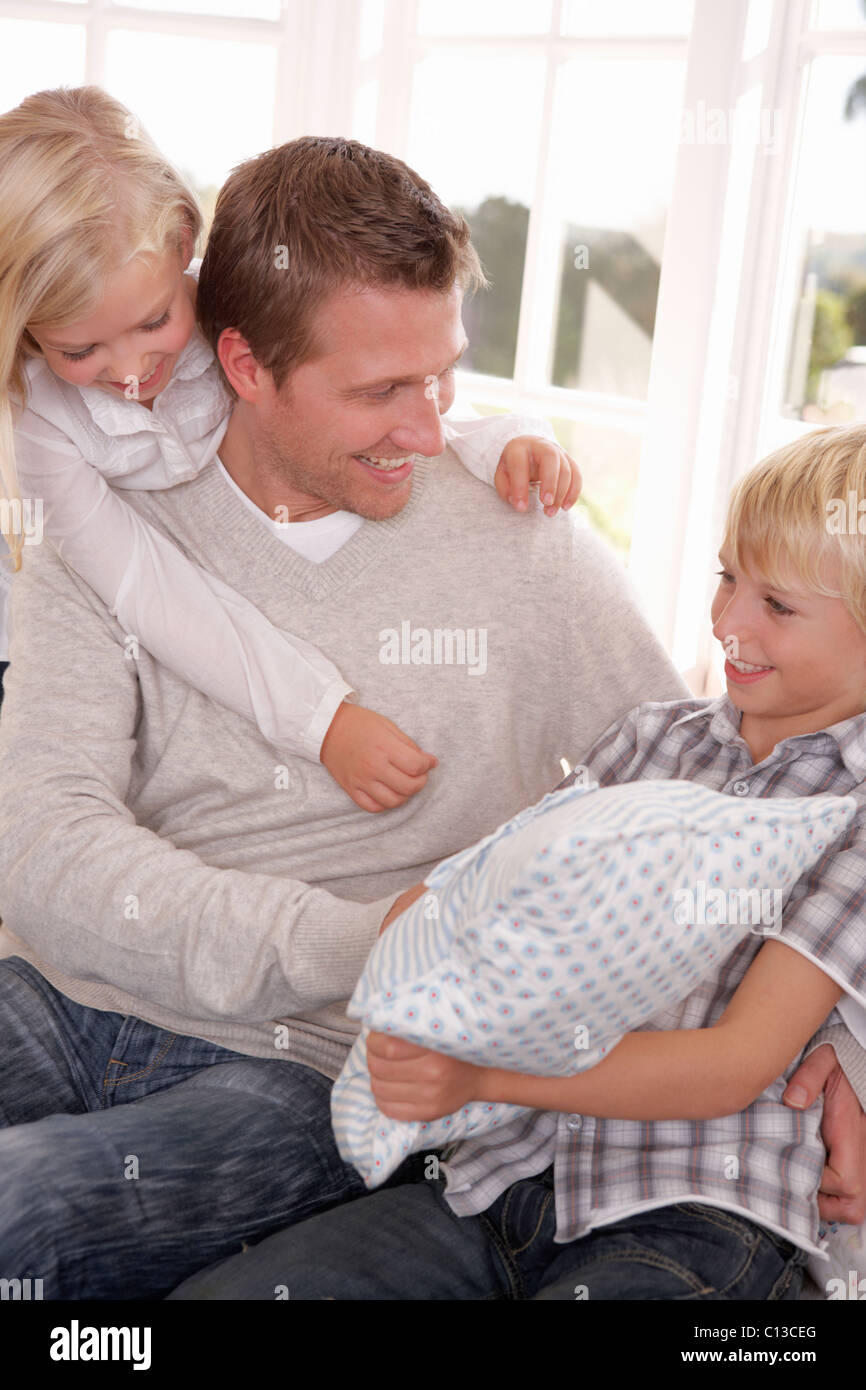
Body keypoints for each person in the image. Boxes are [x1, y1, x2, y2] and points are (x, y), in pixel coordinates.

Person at [0, 123, 858, 1301]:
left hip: (305, 1063)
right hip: (57, 993)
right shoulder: (108, 518)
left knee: (19, 1214)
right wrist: (363, 937)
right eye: (380, 389)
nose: (428, 426)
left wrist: (836, 1048)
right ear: (243, 365)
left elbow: (718, 812)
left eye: (442, 372)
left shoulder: (525, 541)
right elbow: (41, 848)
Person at [169, 424, 866, 1301]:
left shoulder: (852, 817)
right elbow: (508, 883)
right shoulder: (653, 737)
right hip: (498, 1179)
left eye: (780, 606)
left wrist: (483, 1076)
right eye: (728, 579)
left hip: (696, 1209)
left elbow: (736, 1062)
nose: (729, 623)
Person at [0, 85, 579, 814]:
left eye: (154, 321)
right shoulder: (39, 422)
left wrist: (509, 438)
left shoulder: (234, 312)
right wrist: (323, 721)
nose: (128, 371)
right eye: (79, 348)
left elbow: (370, 383)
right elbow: (146, 588)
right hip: (33, 627)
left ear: (185, 242)